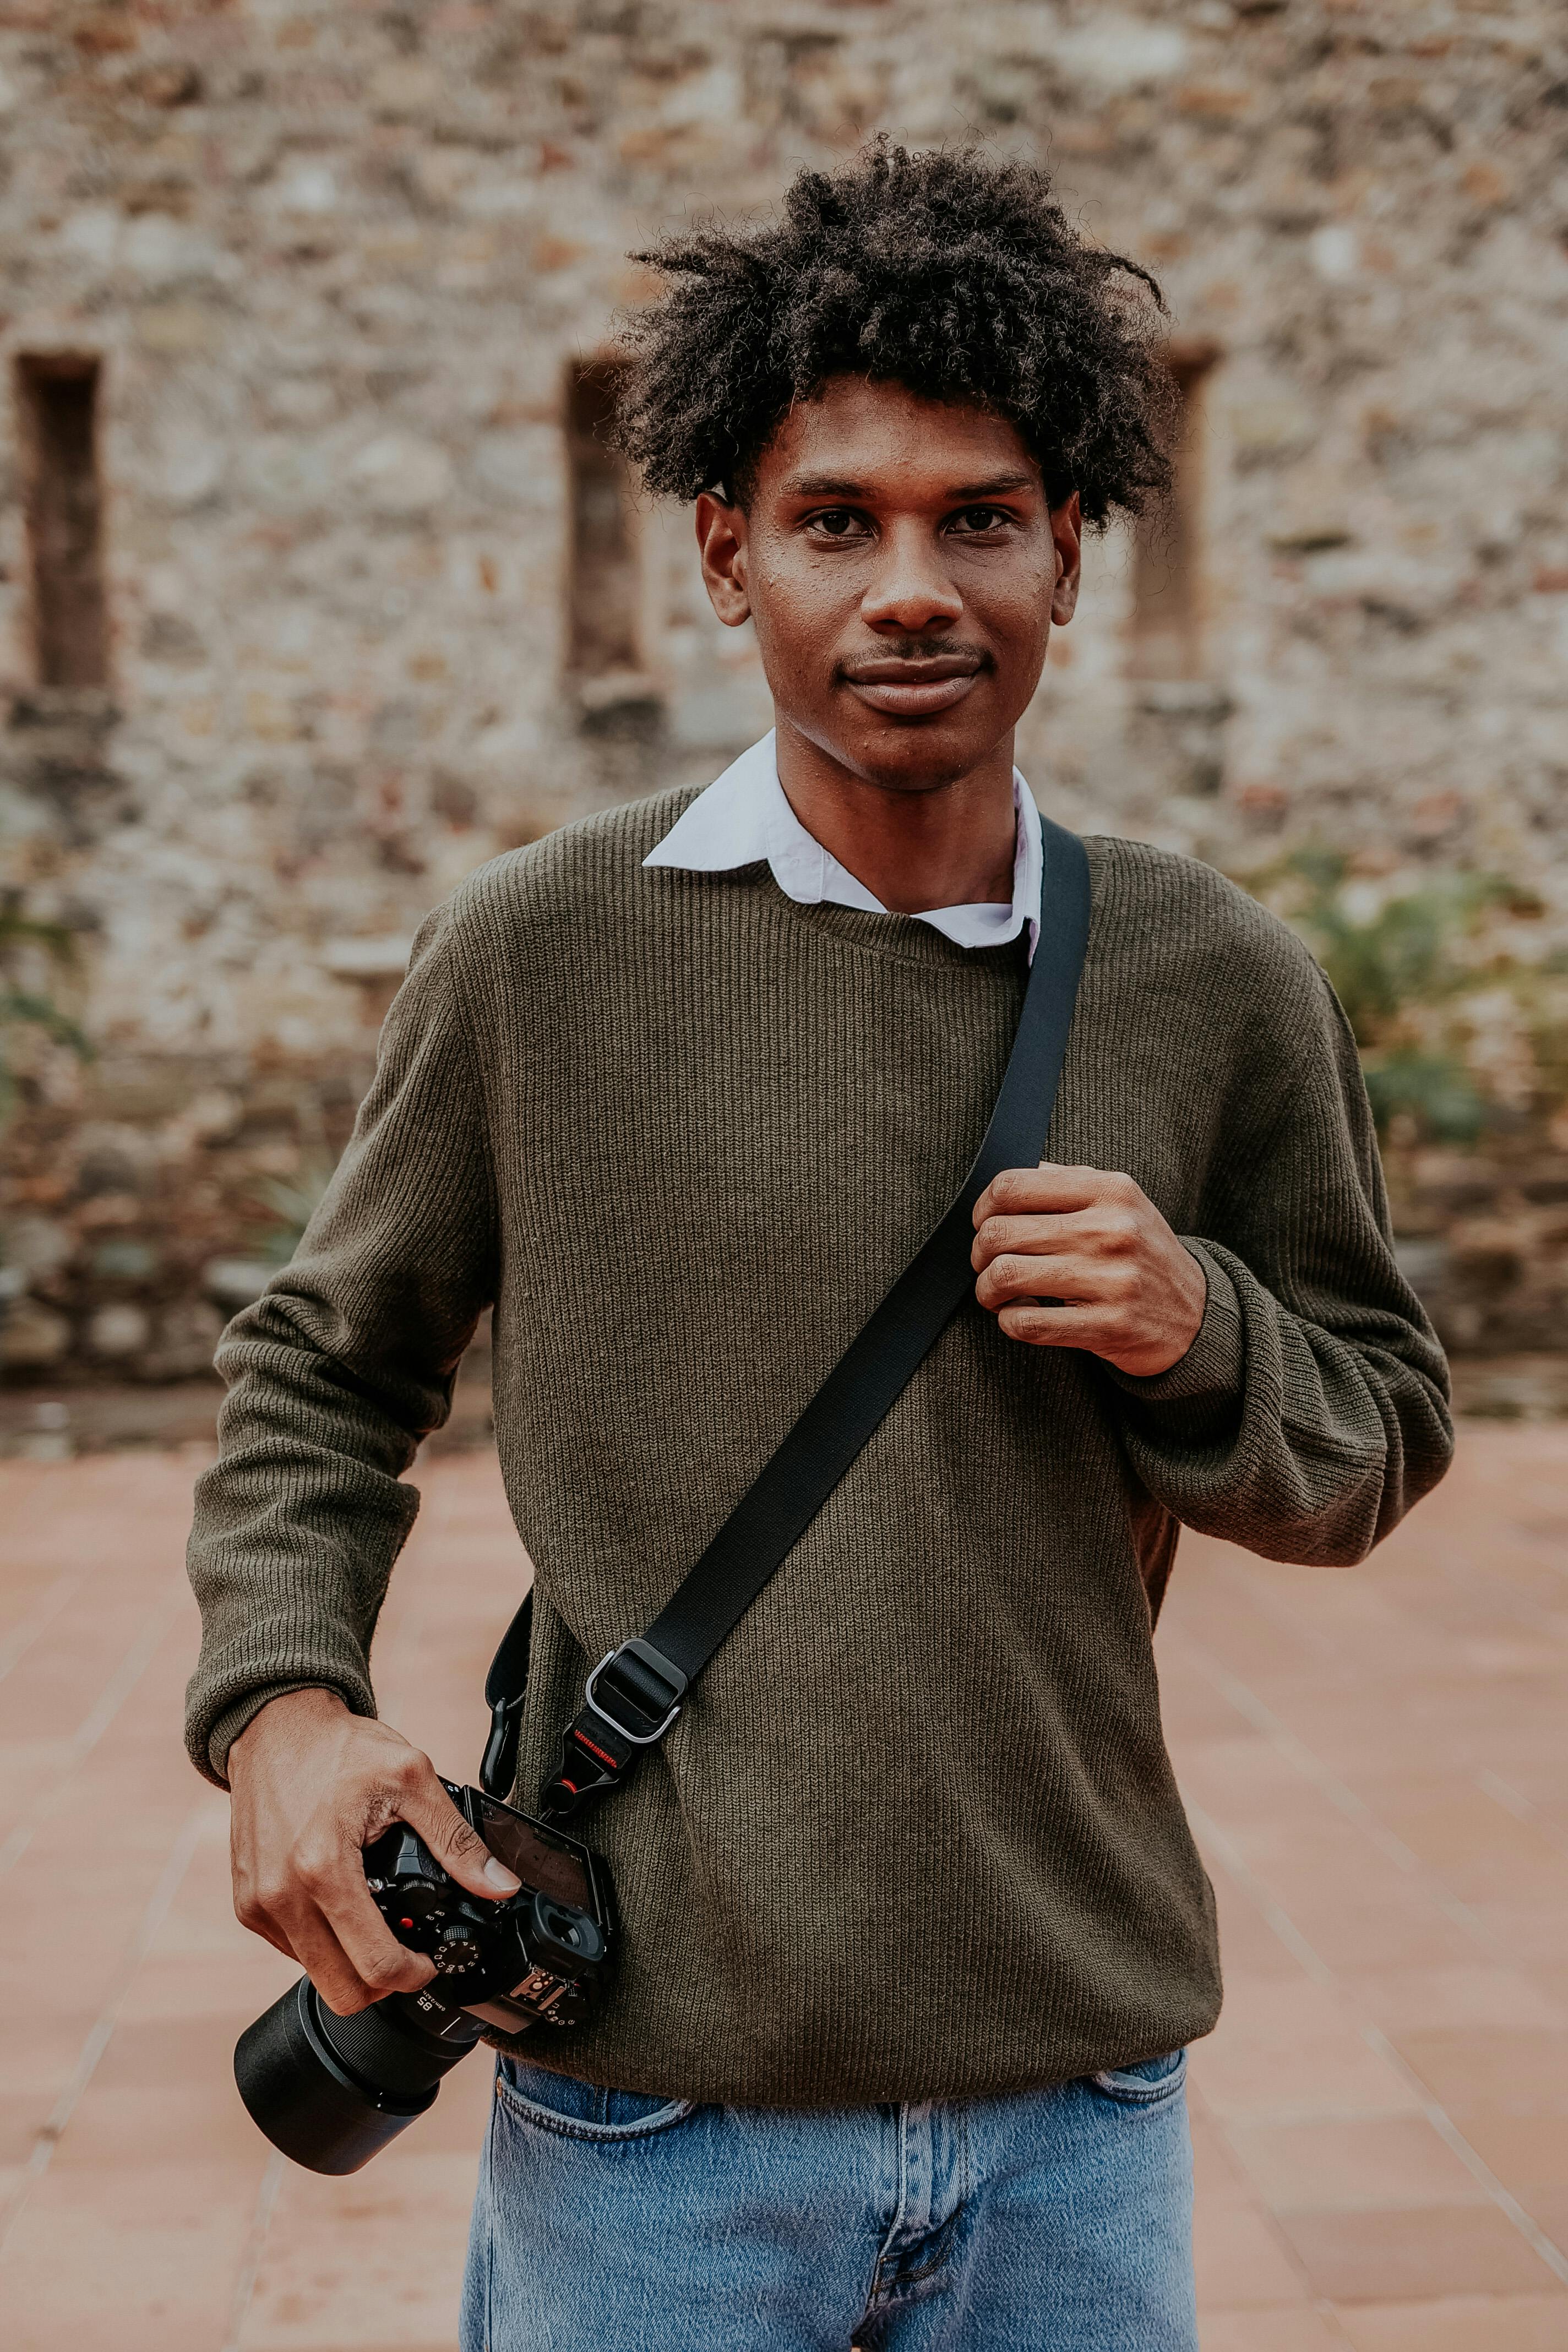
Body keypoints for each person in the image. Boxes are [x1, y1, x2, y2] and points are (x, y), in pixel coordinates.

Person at [185, 142, 1453, 2351]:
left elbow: (1371, 1441)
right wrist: (282, 1705)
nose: (909, 588)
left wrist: (1197, 1331)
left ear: (1072, 549)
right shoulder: (537, 955)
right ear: (720, 554)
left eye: (980, 518)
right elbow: (323, 1358)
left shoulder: (1210, 977)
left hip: (1075, 2080)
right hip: (652, 2106)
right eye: (832, 521)